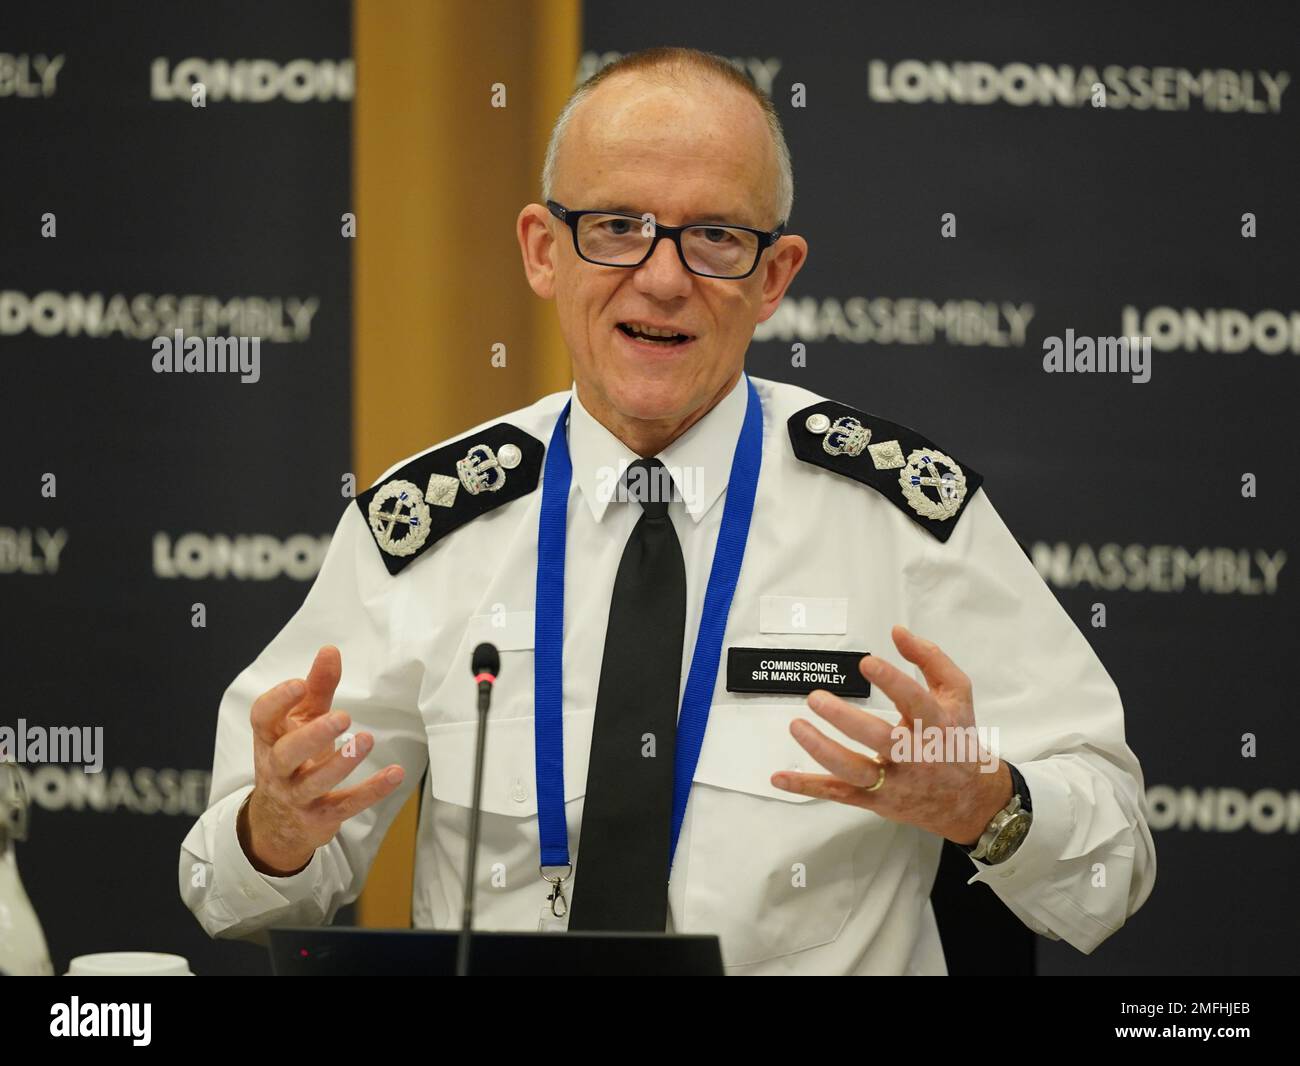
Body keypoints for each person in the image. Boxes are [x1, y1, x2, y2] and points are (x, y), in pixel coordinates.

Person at [180, 46, 1155, 975]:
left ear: (774, 276)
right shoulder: (429, 526)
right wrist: (273, 835)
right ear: (541, 249)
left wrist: (989, 804)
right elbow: (229, 893)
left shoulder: (902, 515)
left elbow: (1114, 873)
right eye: (615, 226)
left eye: (716, 237)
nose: (660, 277)